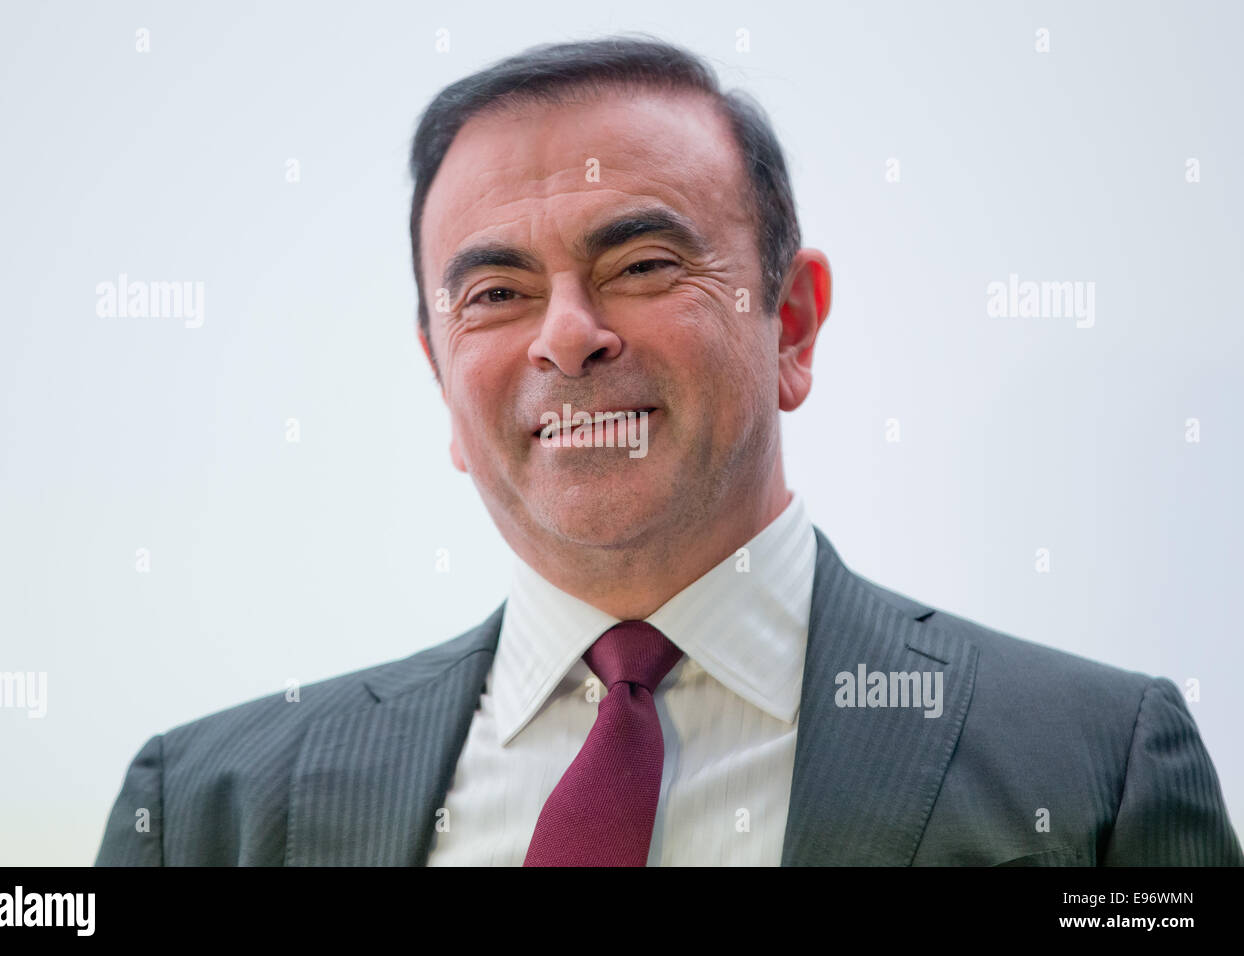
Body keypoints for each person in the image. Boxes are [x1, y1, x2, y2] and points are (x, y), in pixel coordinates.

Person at [95, 36, 1242, 866]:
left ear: (789, 325)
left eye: (642, 264)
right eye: (494, 292)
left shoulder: (1098, 774)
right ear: (439, 378)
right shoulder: (207, 814)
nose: (566, 337)